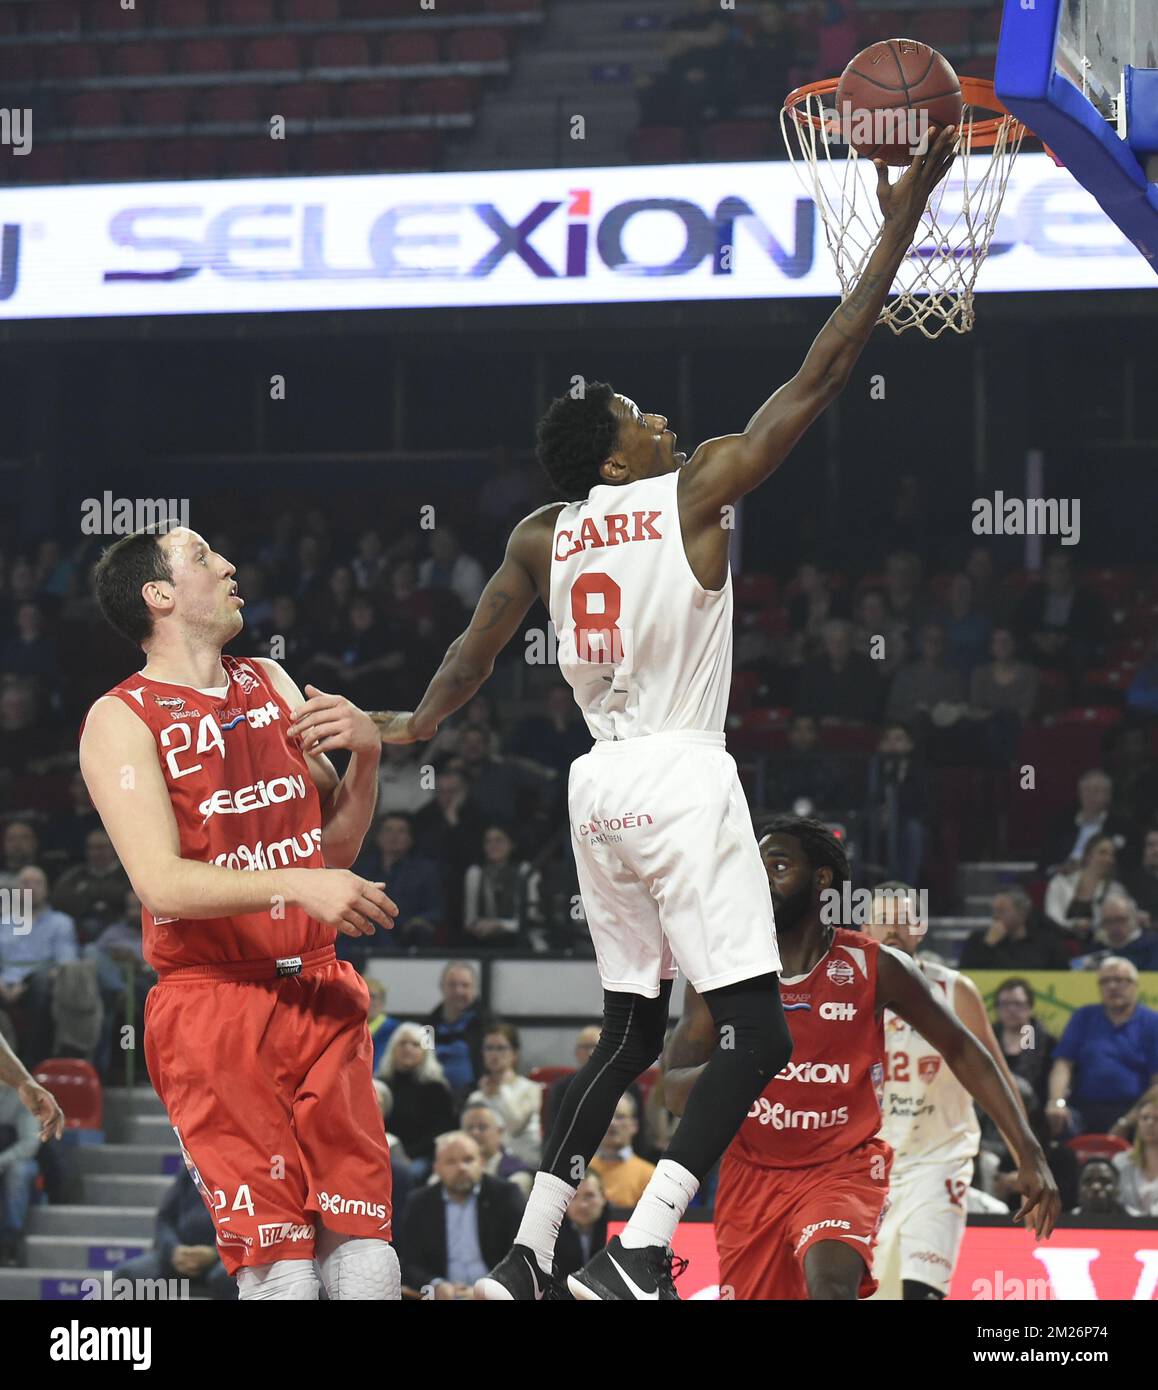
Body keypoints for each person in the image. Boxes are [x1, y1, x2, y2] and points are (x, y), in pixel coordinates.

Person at [334, 127, 960, 1303]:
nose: (655, 415)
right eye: (634, 412)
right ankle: (633, 1245)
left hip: (596, 785)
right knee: (758, 1036)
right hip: (678, 770)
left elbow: (474, 652)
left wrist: (411, 728)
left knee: (626, 1027)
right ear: (614, 460)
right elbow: (825, 369)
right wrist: (904, 213)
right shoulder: (698, 486)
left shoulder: (542, 534)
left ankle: (528, 1252)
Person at [78, 524, 399, 1301]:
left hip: (317, 988)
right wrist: (297, 885)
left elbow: (336, 854)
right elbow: (161, 884)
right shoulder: (120, 719)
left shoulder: (273, 681)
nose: (227, 565)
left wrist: (368, 758)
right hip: (214, 1005)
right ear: (159, 596)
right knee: (281, 1270)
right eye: (200, 557)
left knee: (366, 1248)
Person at [663, 827, 1056, 1302]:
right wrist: (737, 1068)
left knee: (831, 1287)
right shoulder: (724, 969)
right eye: (756, 867)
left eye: (779, 866)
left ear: (822, 879)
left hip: (842, 1167)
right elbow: (674, 1091)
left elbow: (962, 1049)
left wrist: (1028, 1151)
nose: (760, 880)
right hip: (753, 1175)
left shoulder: (879, 966)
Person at [866, 880, 1041, 1302]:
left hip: (939, 1162)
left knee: (920, 1293)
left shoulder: (953, 990)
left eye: (904, 920)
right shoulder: (848, 995)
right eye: (884, 921)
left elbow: (996, 1079)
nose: (894, 930)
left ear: (921, 927)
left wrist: (1029, 1163)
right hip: (868, 1170)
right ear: (864, 928)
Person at [399, 1132, 525, 1299]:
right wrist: (435, 1284)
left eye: (468, 1160)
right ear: (437, 1168)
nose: (461, 1168)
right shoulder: (419, 1203)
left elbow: (521, 1258)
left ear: (481, 1162)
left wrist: (489, 1290)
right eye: (451, 1162)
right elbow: (408, 1263)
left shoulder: (506, 1195)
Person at [1047, 957, 1158, 1135]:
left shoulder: (1153, 1022)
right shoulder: (1083, 1017)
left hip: (1134, 1111)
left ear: (1134, 986)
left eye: (1119, 980)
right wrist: (1056, 1102)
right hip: (1084, 1108)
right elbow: (1063, 1064)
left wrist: (1126, 1121)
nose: (1112, 986)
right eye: (1105, 981)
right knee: (1052, 1122)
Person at [112, 1167, 236, 1300]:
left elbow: (249, 1227)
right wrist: (173, 1249)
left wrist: (214, 1253)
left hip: (225, 1256)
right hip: (179, 1254)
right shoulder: (191, 1168)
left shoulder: (240, 1171)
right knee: (128, 1274)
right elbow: (164, 1219)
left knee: (231, 1278)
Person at [0, 1021, 64, 1266]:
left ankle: (10, 1241)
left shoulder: (17, 1092)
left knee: (17, 1173)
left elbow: (30, 1144)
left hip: (17, 1159)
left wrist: (23, 1082)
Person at [376, 1023, 458, 1175]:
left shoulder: (436, 1088)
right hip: (381, 1151)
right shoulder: (379, 1085)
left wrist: (409, 1155)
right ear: (392, 1049)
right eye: (402, 1043)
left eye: (415, 1044)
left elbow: (440, 1131)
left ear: (425, 1052)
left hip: (420, 1156)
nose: (408, 1048)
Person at [353, 813, 443, 946]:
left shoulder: (425, 871)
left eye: (401, 831)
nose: (394, 836)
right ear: (378, 837)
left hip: (407, 935)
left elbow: (436, 910)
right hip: (367, 935)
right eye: (388, 830)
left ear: (410, 839)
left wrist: (419, 921)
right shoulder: (362, 869)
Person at [466, 1024, 542, 1168]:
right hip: (485, 1164)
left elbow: (514, 1124)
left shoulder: (531, 1089)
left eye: (500, 1048)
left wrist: (500, 1090)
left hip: (523, 1162)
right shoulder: (476, 1097)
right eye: (489, 1048)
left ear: (515, 1053)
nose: (494, 1054)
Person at [1039, 769, 1133, 879]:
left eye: (1097, 791)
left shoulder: (1122, 826)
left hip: (1102, 880)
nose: (1091, 795)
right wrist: (1058, 869)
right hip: (1063, 878)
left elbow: (1128, 865)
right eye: (1087, 790)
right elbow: (1044, 863)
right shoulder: (1062, 824)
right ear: (1079, 794)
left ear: (1108, 796)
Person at [1044, 833, 1130, 944]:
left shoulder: (1115, 889)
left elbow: (1120, 920)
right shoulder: (1061, 882)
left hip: (1099, 944)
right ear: (1088, 856)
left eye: (1112, 855)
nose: (1109, 859)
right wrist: (1074, 925)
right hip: (1059, 942)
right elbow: (1052, 918)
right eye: (1103, 853)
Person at [958, 887, 1072, 971]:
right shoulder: (977, 941)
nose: (995, 916)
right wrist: (987, 946)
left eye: (1001, 911)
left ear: (1022, 913)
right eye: (994, 910)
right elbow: (965, 975)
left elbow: (1064, 976)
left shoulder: (1047, 943)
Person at [425, 961, 494, 1095]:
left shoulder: (488, 1025)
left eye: (465, 985)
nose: (459, 991)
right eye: (452, 985)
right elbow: (421, 1063)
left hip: (477, 1096)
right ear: (441, 987)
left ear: (474, 989)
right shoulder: (427, 1026)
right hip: (433, 1098)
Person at [988, 977, 1056, 1109]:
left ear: (1030, 1007)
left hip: (1033, 1108)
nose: (1011, 1010)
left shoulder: (1041, 1039)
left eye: (1018, 1004)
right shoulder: (989, 1037)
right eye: (1005, 1004)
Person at [586, 1093, 656, 1213]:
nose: (612, 1123)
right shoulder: (580, 1169)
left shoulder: (650, 1174)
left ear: (634, 1125)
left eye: (620, 1117)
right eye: (607, 1116)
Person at [463, 826, 534, 944]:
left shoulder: (524, 871)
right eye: (488, 841)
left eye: (499, 840)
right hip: (481, 941)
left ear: (511, 844)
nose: (493, 845)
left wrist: (501, 925)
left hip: (518, 941)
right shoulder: (475, 873)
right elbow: (469, 921)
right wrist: (480, 926)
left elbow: (530, 918)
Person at [1070, 891, 1158, 971]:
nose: (1115, 926)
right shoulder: (1094, 949)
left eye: (1121, 919)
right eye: (1108, 921)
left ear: (1135, 918)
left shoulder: (1153, 945)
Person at [461, 1100, 533, 1198]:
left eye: (482, 1127)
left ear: (499, 1132)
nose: (475, 1133)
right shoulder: (448, 1173)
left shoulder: (518, 1176)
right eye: (469, 1128)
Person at [1110, 1085, 1158, 1216]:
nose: (1150, 1123)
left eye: (1156, 1118)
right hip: (1127, 1230)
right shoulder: (1121, 1161)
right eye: (1145, 1118)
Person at [553, 1172, 609, 1280]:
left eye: (590, 1196)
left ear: (604, 1198)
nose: (582, 1205)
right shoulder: (551, 1227)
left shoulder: (621, 1225)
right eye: (574, 1197)